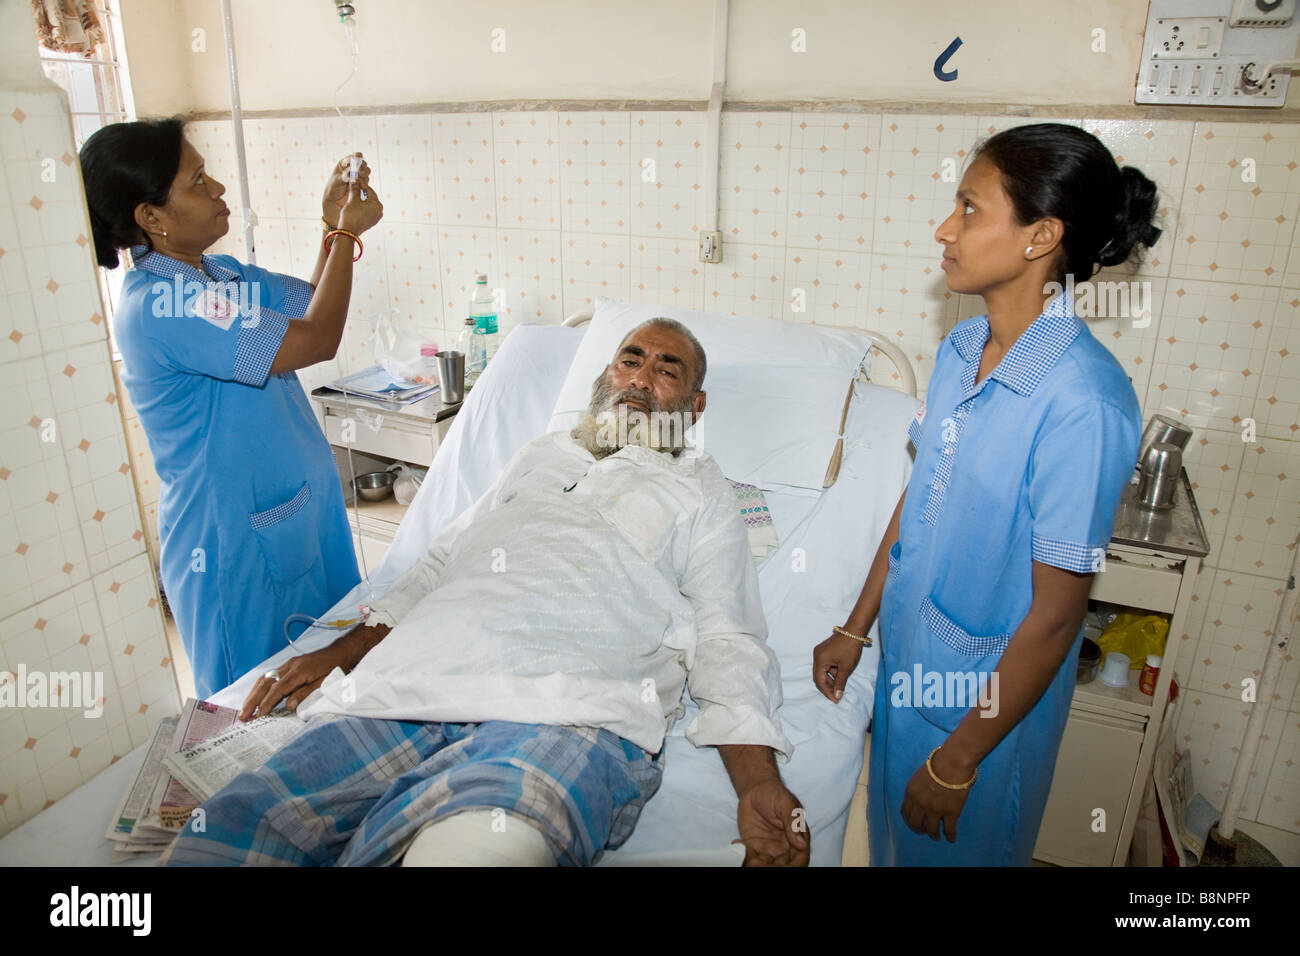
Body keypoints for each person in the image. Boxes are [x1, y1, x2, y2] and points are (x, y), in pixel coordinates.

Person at [161, 319, 810, 867]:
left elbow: (728, 634)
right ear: (604, 379)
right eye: (629, 360)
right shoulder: (543, 454)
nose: (641, 378)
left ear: (693, 407)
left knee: (481, 846)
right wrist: (343, 650)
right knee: (238, 825)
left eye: (667, 370)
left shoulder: (702, 489)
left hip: (567, 707)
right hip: (407, 686)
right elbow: (441, 559)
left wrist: (757, 783)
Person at [813, 123, 1155, 865]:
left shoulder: (1083, 402)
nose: (945, 228)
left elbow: (1059, 618)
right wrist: (855, 625)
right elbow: (921, 497)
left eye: (970, 208)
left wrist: (959, 759)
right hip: (910, 670)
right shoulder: (962, 351)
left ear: (1041, 237)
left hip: (985, 714)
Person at [79, 118, 384, 699]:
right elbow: (316, 340)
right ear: (152, 217)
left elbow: (306, 312)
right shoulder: (163, 306)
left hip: (294, 518)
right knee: (254, 706)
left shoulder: (221, 277)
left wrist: (329, 226)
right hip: (233, 546)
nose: (218, 188)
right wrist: (345, 237)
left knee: (327, 684)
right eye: (198, 181)